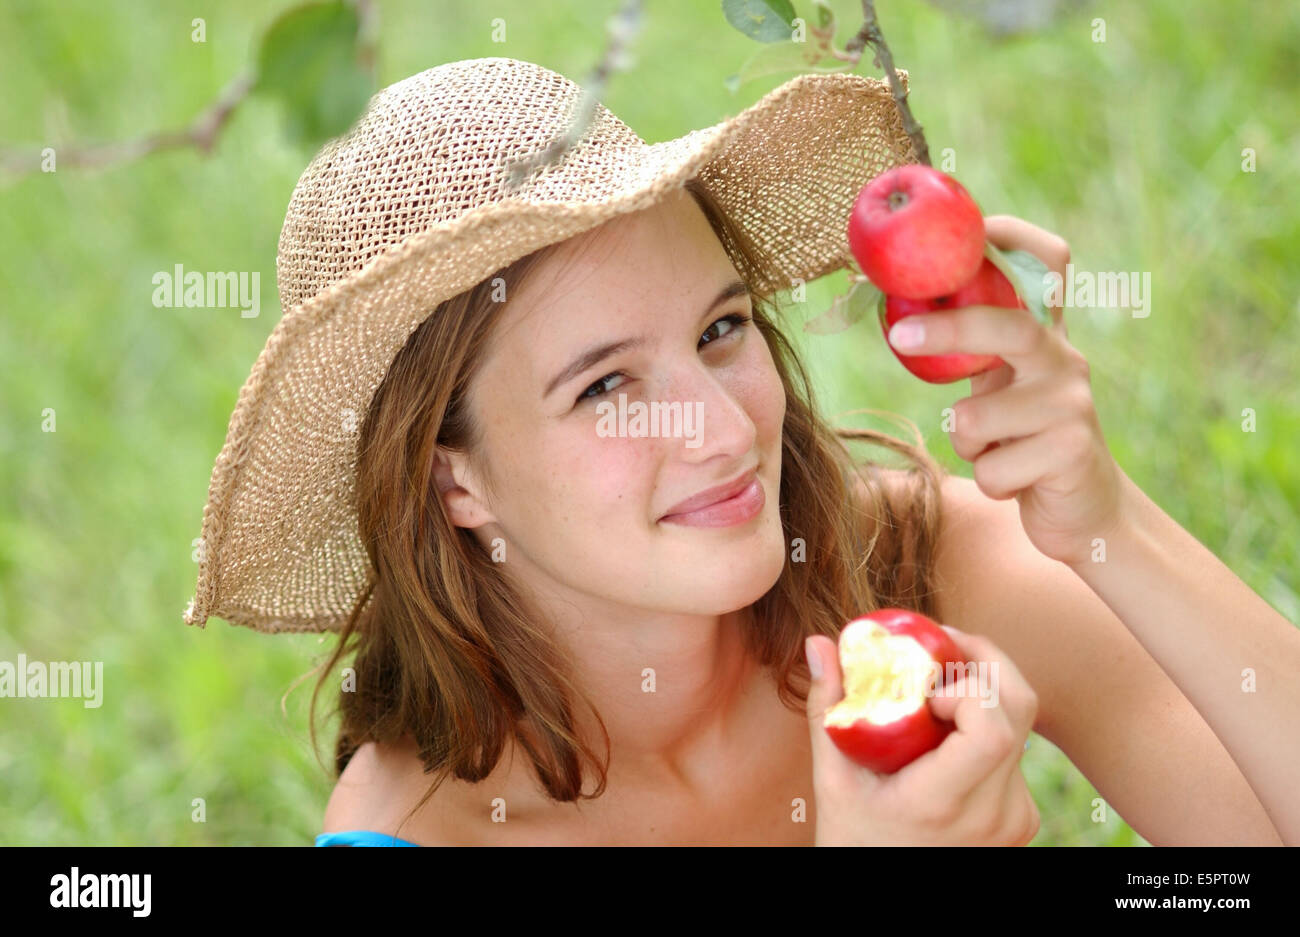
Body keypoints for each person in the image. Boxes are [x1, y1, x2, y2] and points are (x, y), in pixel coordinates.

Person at [184, 58, 1297, 847]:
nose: (722, 429)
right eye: (607, 386)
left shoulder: (913, 567)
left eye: (720, 330)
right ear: (453, 478)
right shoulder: (409, 835)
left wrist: (1106, 526)